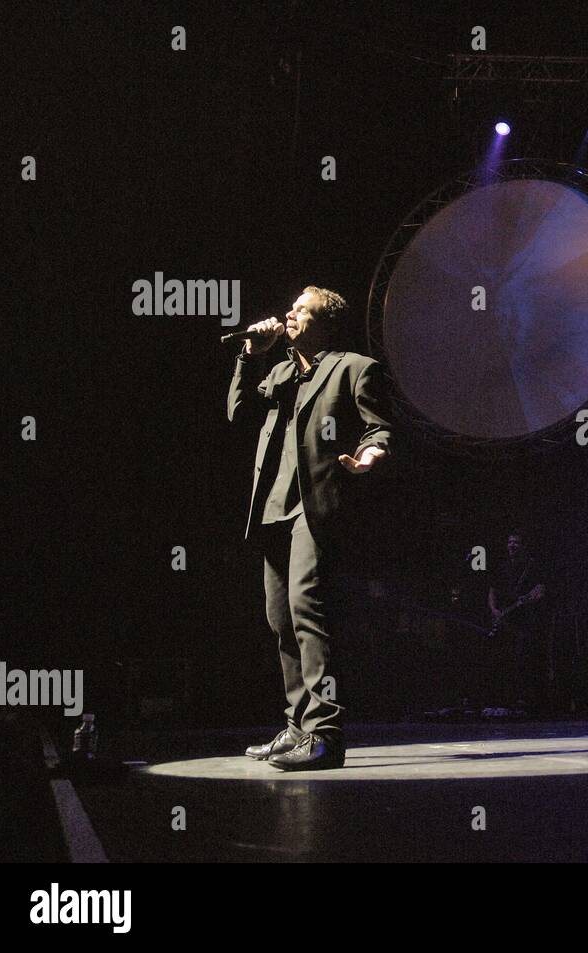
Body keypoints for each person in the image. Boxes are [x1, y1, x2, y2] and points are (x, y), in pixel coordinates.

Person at [228, 286, 395, 770]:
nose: (289, 314)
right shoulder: (278, 372)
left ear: (325, 323)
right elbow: (239, 415)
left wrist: (370, 456)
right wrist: (248, 356)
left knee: (307, 612)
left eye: (302, 309)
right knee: (279, 619)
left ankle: (325, 733)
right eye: (291, 308)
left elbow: (378, 427)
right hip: (272, 509)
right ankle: (297, 726)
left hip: (315, 507)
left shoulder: (353, 368)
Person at [487, 531, 549, 713]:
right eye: (509, 542)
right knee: (501, 659)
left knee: (522, 658)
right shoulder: (501, 566)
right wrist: (494, 610)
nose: (512, 545)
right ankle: (501, 699)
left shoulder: (531, 566)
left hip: (523, 620)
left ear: (523, 546)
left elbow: (540, 590)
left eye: (516, 542)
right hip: (503, 619)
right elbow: (492, 590)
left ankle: (523, 700)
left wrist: (529, 599)